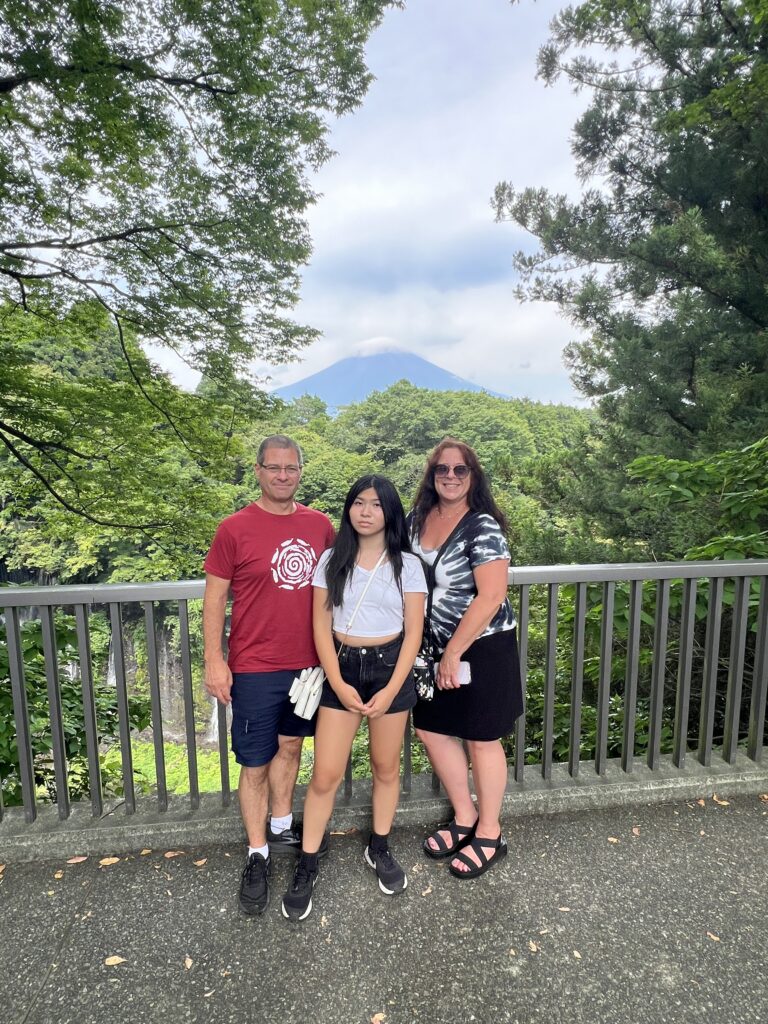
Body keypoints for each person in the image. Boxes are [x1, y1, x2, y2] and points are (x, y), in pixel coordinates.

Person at [280, 474, 427, 921]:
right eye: (358, 503)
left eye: (376, 505)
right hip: (340, 667)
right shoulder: (332, 559)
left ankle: (379, 847)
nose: (366, 511)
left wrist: (390, 687)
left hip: (390, 669)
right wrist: (337, 682)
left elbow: (414, 634)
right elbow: (319, 627)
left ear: (390, 512)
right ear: (349, 509)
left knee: (386, 768)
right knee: (324, 774)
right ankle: (307, 864)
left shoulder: (408, 564)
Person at [203, 434, 335, 915]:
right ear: (257, 471)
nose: (283, 475)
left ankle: (282, 826)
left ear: (301, 471)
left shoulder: (320, 526)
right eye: (273, 467)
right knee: (254, 762)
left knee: (292, 745)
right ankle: (257, 852)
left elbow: (343, 581)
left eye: (291, 467)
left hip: (308, 665)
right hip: (254, 666)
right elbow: (215, 598)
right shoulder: (234, 528)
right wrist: (215, 661)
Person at [409, 438, 523, 879]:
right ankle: (463, 816)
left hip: (481, 647)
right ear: (432, 475)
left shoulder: (482, 527)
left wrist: (453, 653)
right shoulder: (416, 519)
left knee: (481, 738)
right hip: (431, 647)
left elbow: (492, 595)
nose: (451, 477)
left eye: (460, 470)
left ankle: (490, 832)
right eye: (443, 470)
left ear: (473, 476)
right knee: (432, 729)